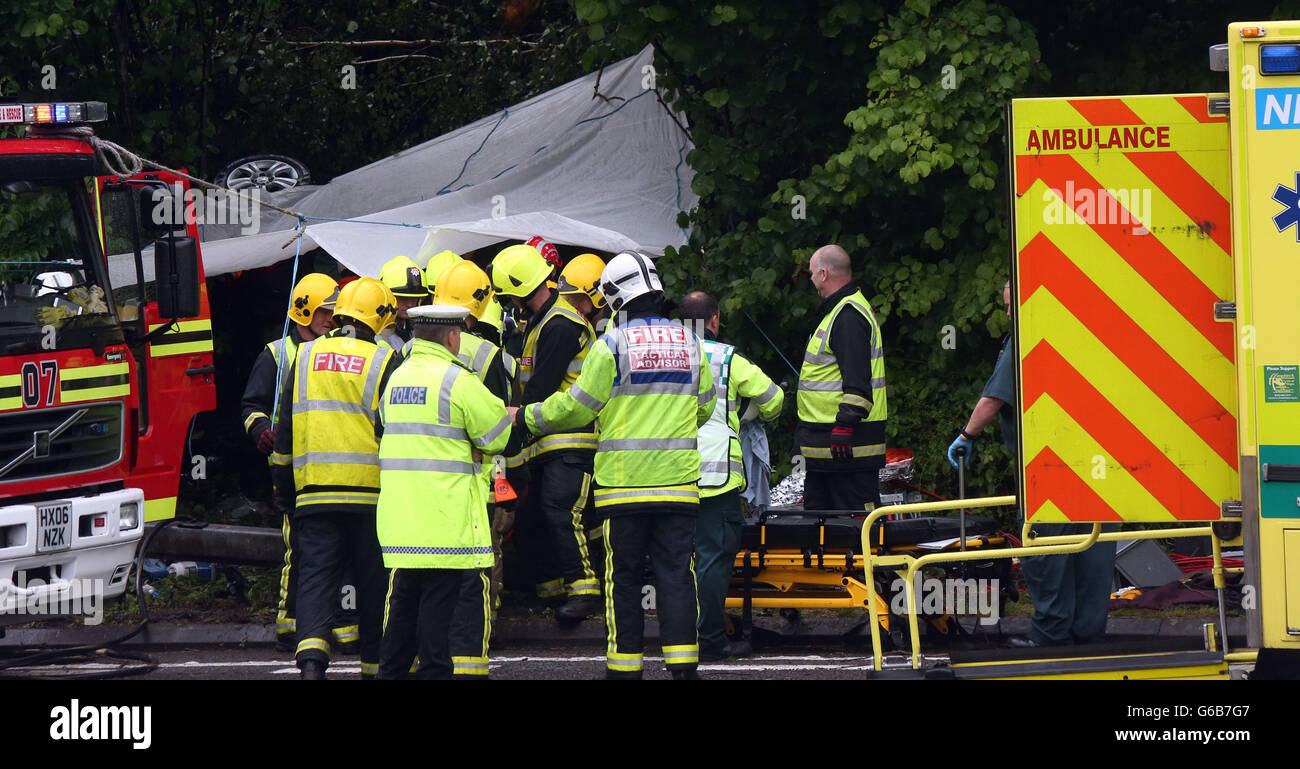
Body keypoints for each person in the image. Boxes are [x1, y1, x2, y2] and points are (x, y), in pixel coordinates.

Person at [511, 251, 715, 680]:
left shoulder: (612, 345)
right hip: (678, 486)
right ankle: (683, 669)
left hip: (623, 489)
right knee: (677, 575)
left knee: (622, 580)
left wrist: (527, 417)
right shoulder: (690, 343)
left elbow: (577, 408)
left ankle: (625, 670)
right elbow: (704, 406)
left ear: (616, 298)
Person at [947, 281, 1117, 648]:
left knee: (1046, 549)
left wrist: (967, 435)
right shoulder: (1084, 332)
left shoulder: (1029, 338)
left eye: (1012, 306)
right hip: (1096, 460)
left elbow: (995, 397)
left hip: (1049, 466)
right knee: (1093, 547)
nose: (1009, 315)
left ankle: (1051, 633)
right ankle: (1087, 633)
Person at [271, 277, 402, 680]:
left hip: (314, 495)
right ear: (379, 319)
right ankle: (374, 669)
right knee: (375, 584)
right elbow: (394, 429)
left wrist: (282, 487)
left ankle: (311, 663)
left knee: (316, 579)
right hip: (371, 498)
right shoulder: (385, 361)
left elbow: (285, 431)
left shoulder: (305, 356)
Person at [376, 304, 512, 679]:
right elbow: (498, 434)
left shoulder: (397, 379)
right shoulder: (458, 380)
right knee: (436, 626)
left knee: (403, 612)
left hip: (402, 522)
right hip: (444, 522)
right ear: (453, 337)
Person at [240, 272, 353, 653]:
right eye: (323, 312)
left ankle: (337, 625)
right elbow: (250, 406)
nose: (330, 320)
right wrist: (260, 432)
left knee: (333, 552)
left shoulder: (337, 352)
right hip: (290, 465)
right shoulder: (276, 355)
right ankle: (291, 622)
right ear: (303, 311)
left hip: (326, 466)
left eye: (334, 313)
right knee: (299, 547)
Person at [490, 243, 601, 620]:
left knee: (559, 510)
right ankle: (552, 589)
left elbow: (542, 387)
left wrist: (514, 423)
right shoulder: (541, 319)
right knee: (537, 513)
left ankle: (585, 589)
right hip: (547, 437)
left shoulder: (559, 323)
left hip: (571, 437)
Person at [678, 290, 784, 661]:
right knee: (711, 558)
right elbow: (773, 398)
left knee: (675, 558)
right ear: (715, 320)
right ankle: (709, 641)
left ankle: (677, 638)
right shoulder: (726, 358)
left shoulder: (664, 352)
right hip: (714, 477)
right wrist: (746, 415)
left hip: (666, 473)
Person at [432, 260, 522, 621]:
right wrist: (510, 483)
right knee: (484, 555)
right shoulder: (491, 356)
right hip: (478, 480)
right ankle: (481, 633)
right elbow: (501, 430)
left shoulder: (410, 351)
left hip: (429, 478)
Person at [796, 245, 887, 512]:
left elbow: (858, 384)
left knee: (856, 531)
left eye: (812, 274)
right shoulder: (838, 312)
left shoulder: (847, 316)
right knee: (821, 531)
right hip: (830, 451)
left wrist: (844, 426)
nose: (811, 281)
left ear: (823, 274)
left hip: (847, 449)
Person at [377, 254, 431, 352]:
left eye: (414, 298)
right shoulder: (377, 333)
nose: (410, 304)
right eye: (402, 298)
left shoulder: (416, 328)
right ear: (385, 296)